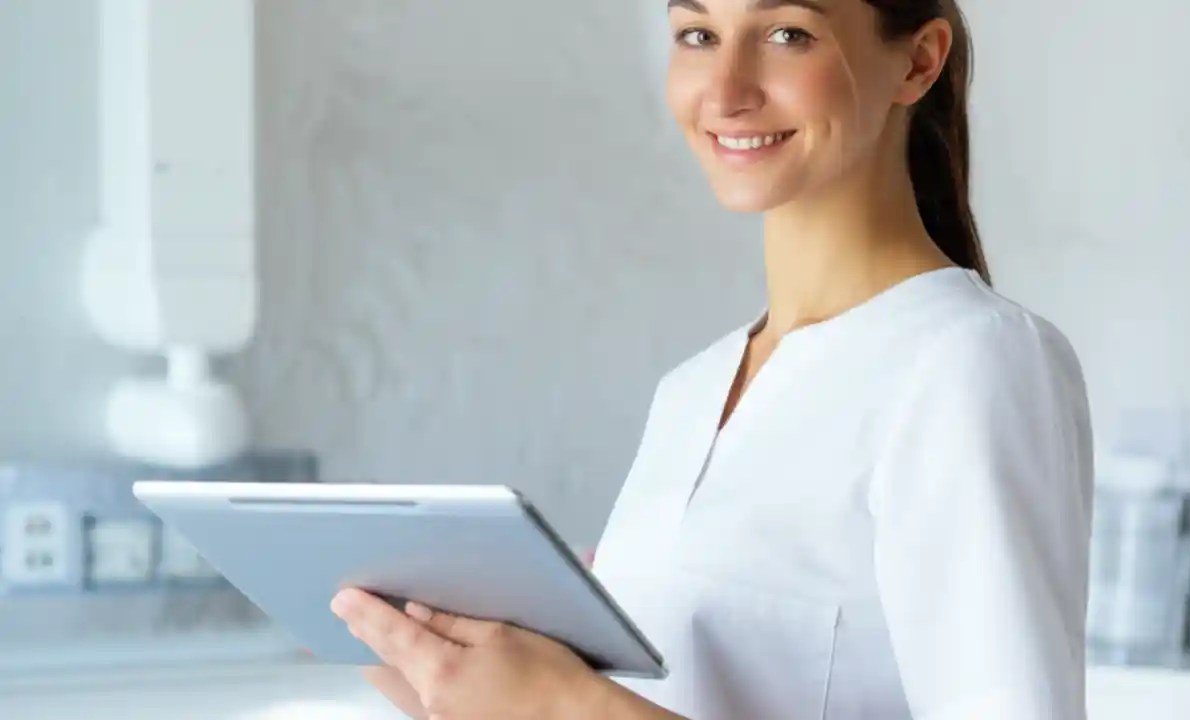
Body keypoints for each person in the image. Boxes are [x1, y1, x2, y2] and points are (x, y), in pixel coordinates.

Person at [330, 0, 1094, 717]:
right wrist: (459, 686)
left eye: (788, 33)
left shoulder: (969, 363)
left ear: (918, 62)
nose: (726, 91)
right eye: (697, 35)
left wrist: (569, 704)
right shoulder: (691, 391)